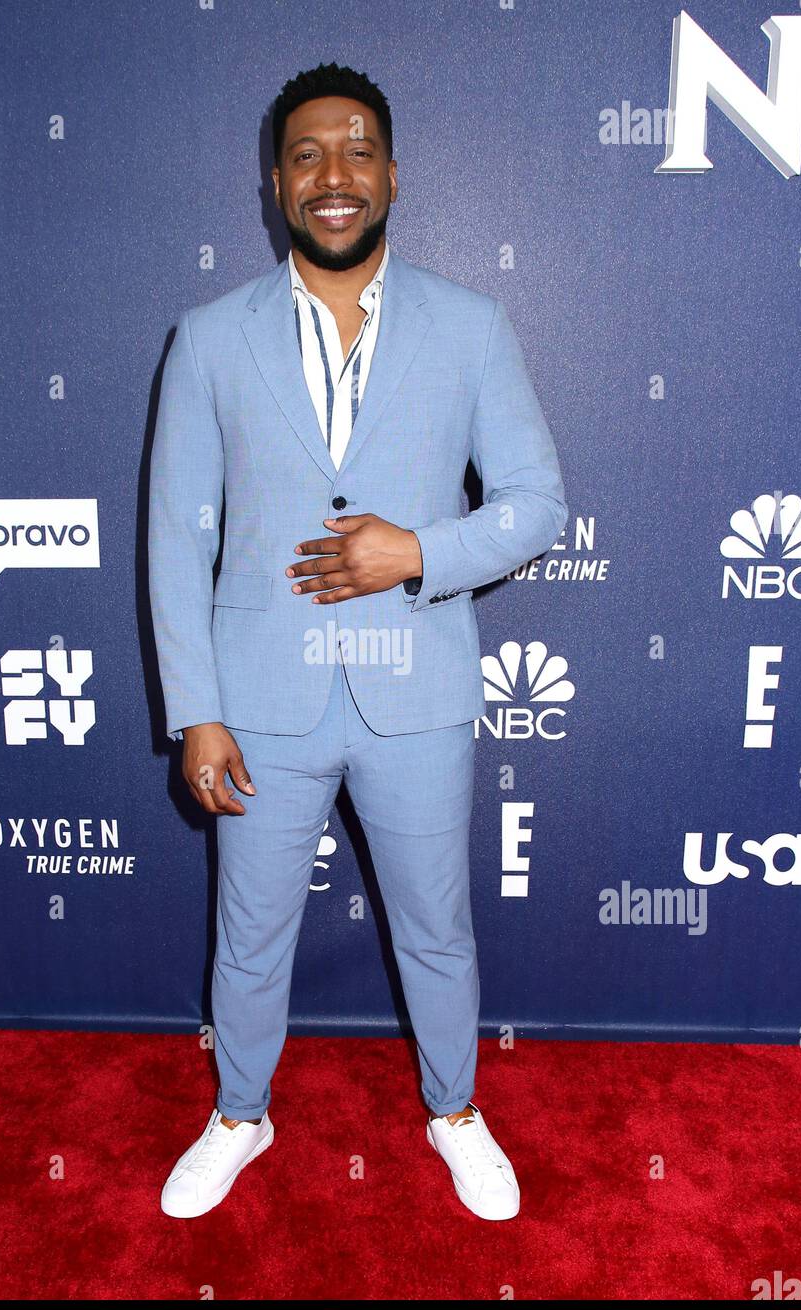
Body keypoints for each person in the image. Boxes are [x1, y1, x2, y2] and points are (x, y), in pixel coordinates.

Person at [148, 61, 567, 1221]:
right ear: (276, 182)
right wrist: (198, 709)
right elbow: (177, 538)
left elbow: (537, 503)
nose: (332, 176)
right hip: (259, 700)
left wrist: (416, 553)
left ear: (389, 172)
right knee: (248, 934)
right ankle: (240, 1112)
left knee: (436, 927)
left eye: (355, 151)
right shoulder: (208, 336)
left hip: (416, 690)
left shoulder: (472, 326)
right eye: (305, 155)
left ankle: (454, 1111)